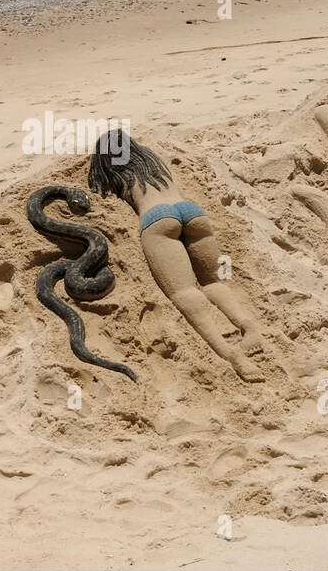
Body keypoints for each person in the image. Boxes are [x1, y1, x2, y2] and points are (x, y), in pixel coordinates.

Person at [88, 130, 266, 382]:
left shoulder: (112, 171)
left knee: (184, 291)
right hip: (191, 211)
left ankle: (230, 353)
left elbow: (102, 196)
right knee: (215, 281)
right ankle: (247, 326)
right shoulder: (151, 159)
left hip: (157, 217)